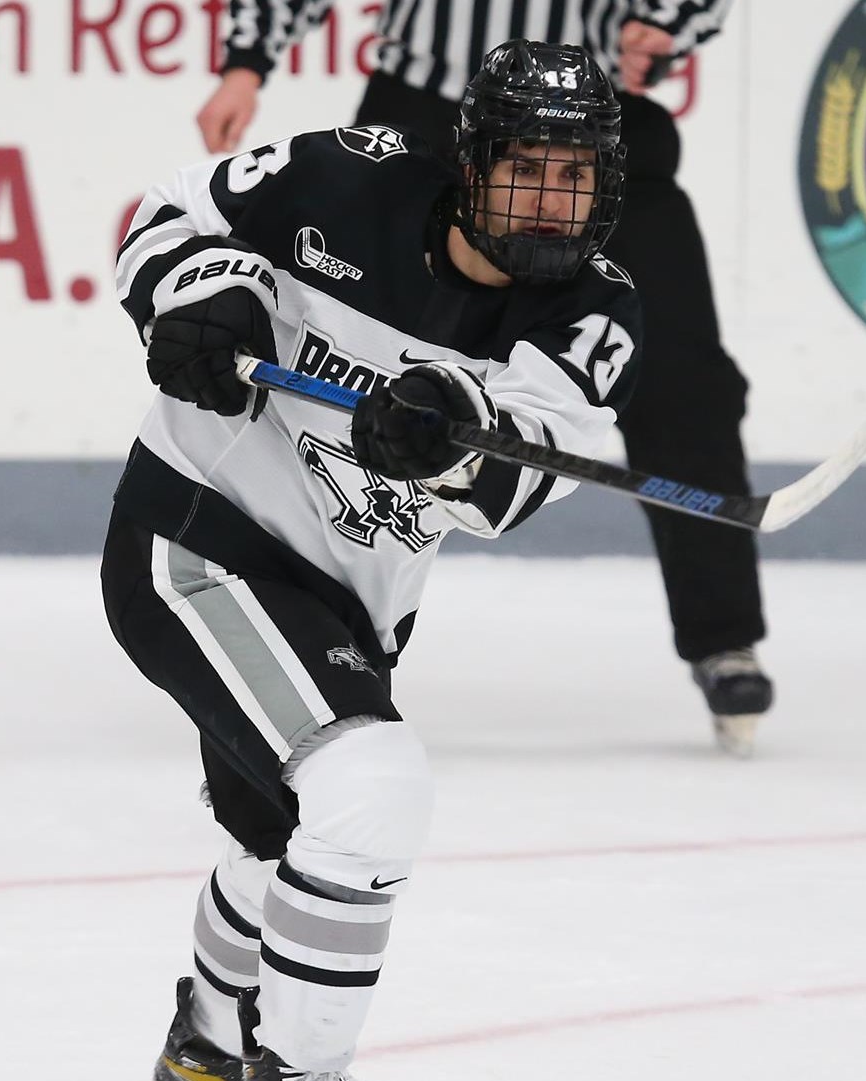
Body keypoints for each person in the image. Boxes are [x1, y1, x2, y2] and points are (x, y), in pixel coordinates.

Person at [105, 41, 638, 1081]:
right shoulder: (347, 175)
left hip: (351, 604)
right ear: (473, 161)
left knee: (280, 845)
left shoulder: (595, 308)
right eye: (528, 167)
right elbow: (162, 216)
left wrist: (456, 430)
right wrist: (199, 289)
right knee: (370, 791)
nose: (549, 202)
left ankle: (205, 1050)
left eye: (574, 178)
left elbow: (531, 468)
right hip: (196, 537)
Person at [196, 0, 774, 756]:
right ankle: (303, 628)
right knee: (355, 357)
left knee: (681, 380)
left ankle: (722, 637)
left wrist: (664, 26)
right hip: (430, 120)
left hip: (584, 139)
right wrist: (248, 60)